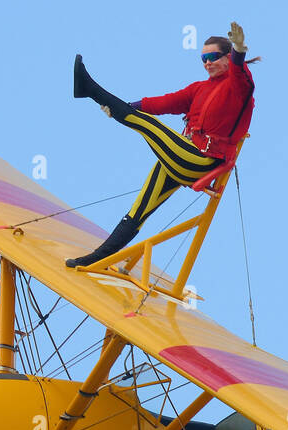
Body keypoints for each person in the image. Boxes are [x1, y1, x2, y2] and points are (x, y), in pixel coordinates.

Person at [66, 22, 258, 268]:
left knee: (146, 124)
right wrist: (123, 108)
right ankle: (95, 259)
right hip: (181, 156)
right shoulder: (200, 88)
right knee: (138, 210)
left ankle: (89, 90)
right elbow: (165, 102)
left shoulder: (238, 87)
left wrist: (240, 50)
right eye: (203, 58)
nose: (207, 63)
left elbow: (241, 75)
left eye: (213, 57)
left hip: (201, 161)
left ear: (228, 57)